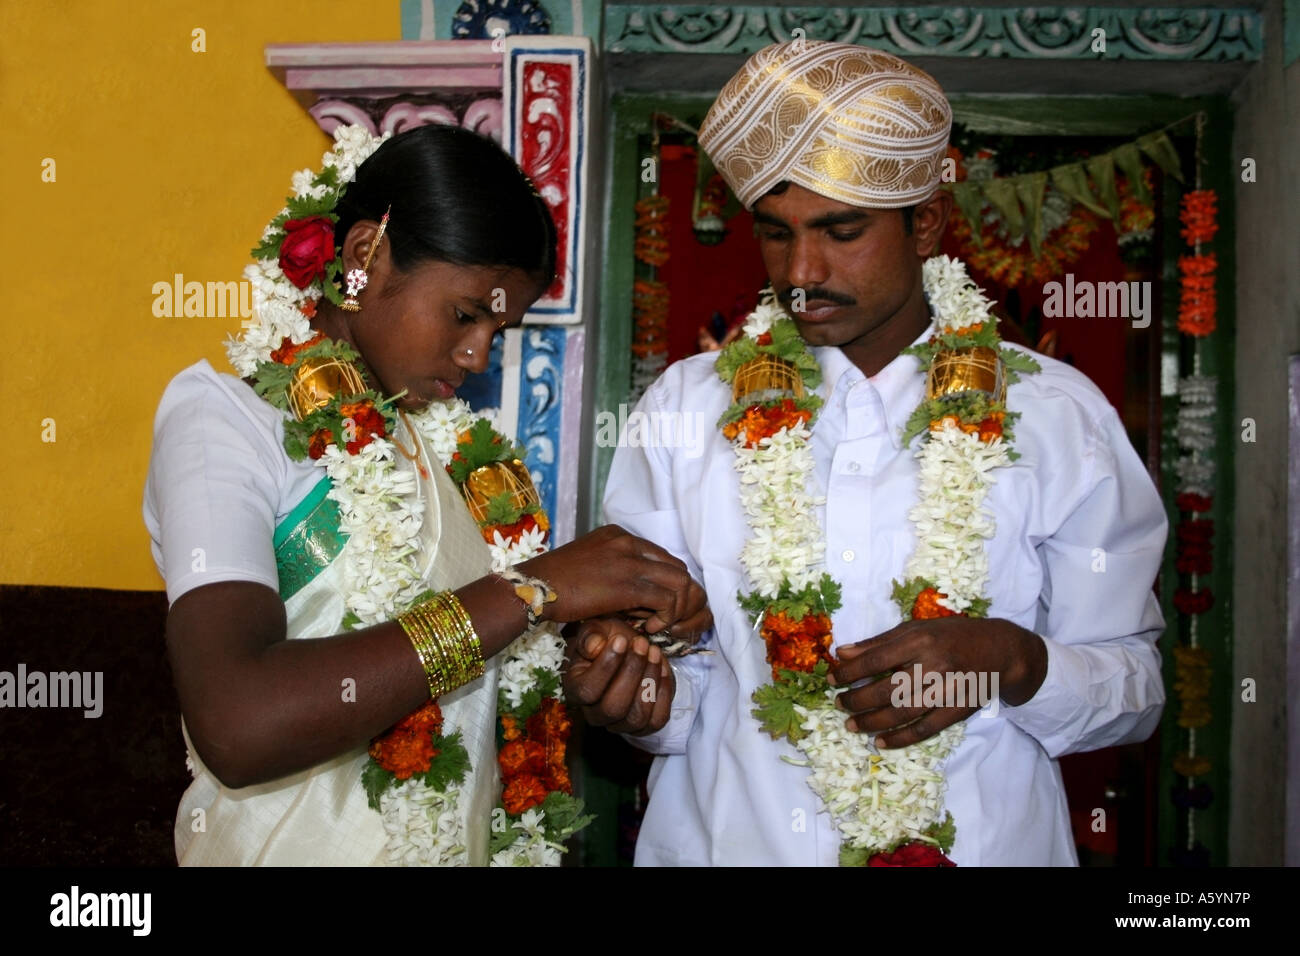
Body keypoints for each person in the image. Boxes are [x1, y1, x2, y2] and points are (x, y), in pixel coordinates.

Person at [564, 41, 1167, 866]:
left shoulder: (1057, 414)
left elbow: (1134, 688)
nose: (802, 272)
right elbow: (680, 681)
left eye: (840, 232)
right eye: (776, 236)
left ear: (927, 222)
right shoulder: (687, 406)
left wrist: (1016, 661)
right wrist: (637, 695)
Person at [143, 123, 708, 866]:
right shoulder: (226, 422)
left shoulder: (458, 463)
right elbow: (238, 724)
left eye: (499, 332)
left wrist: (593, 658)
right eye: (467, 313)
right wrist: (534, 591)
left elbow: (469, 690)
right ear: (361, 259)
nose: (477, 356)